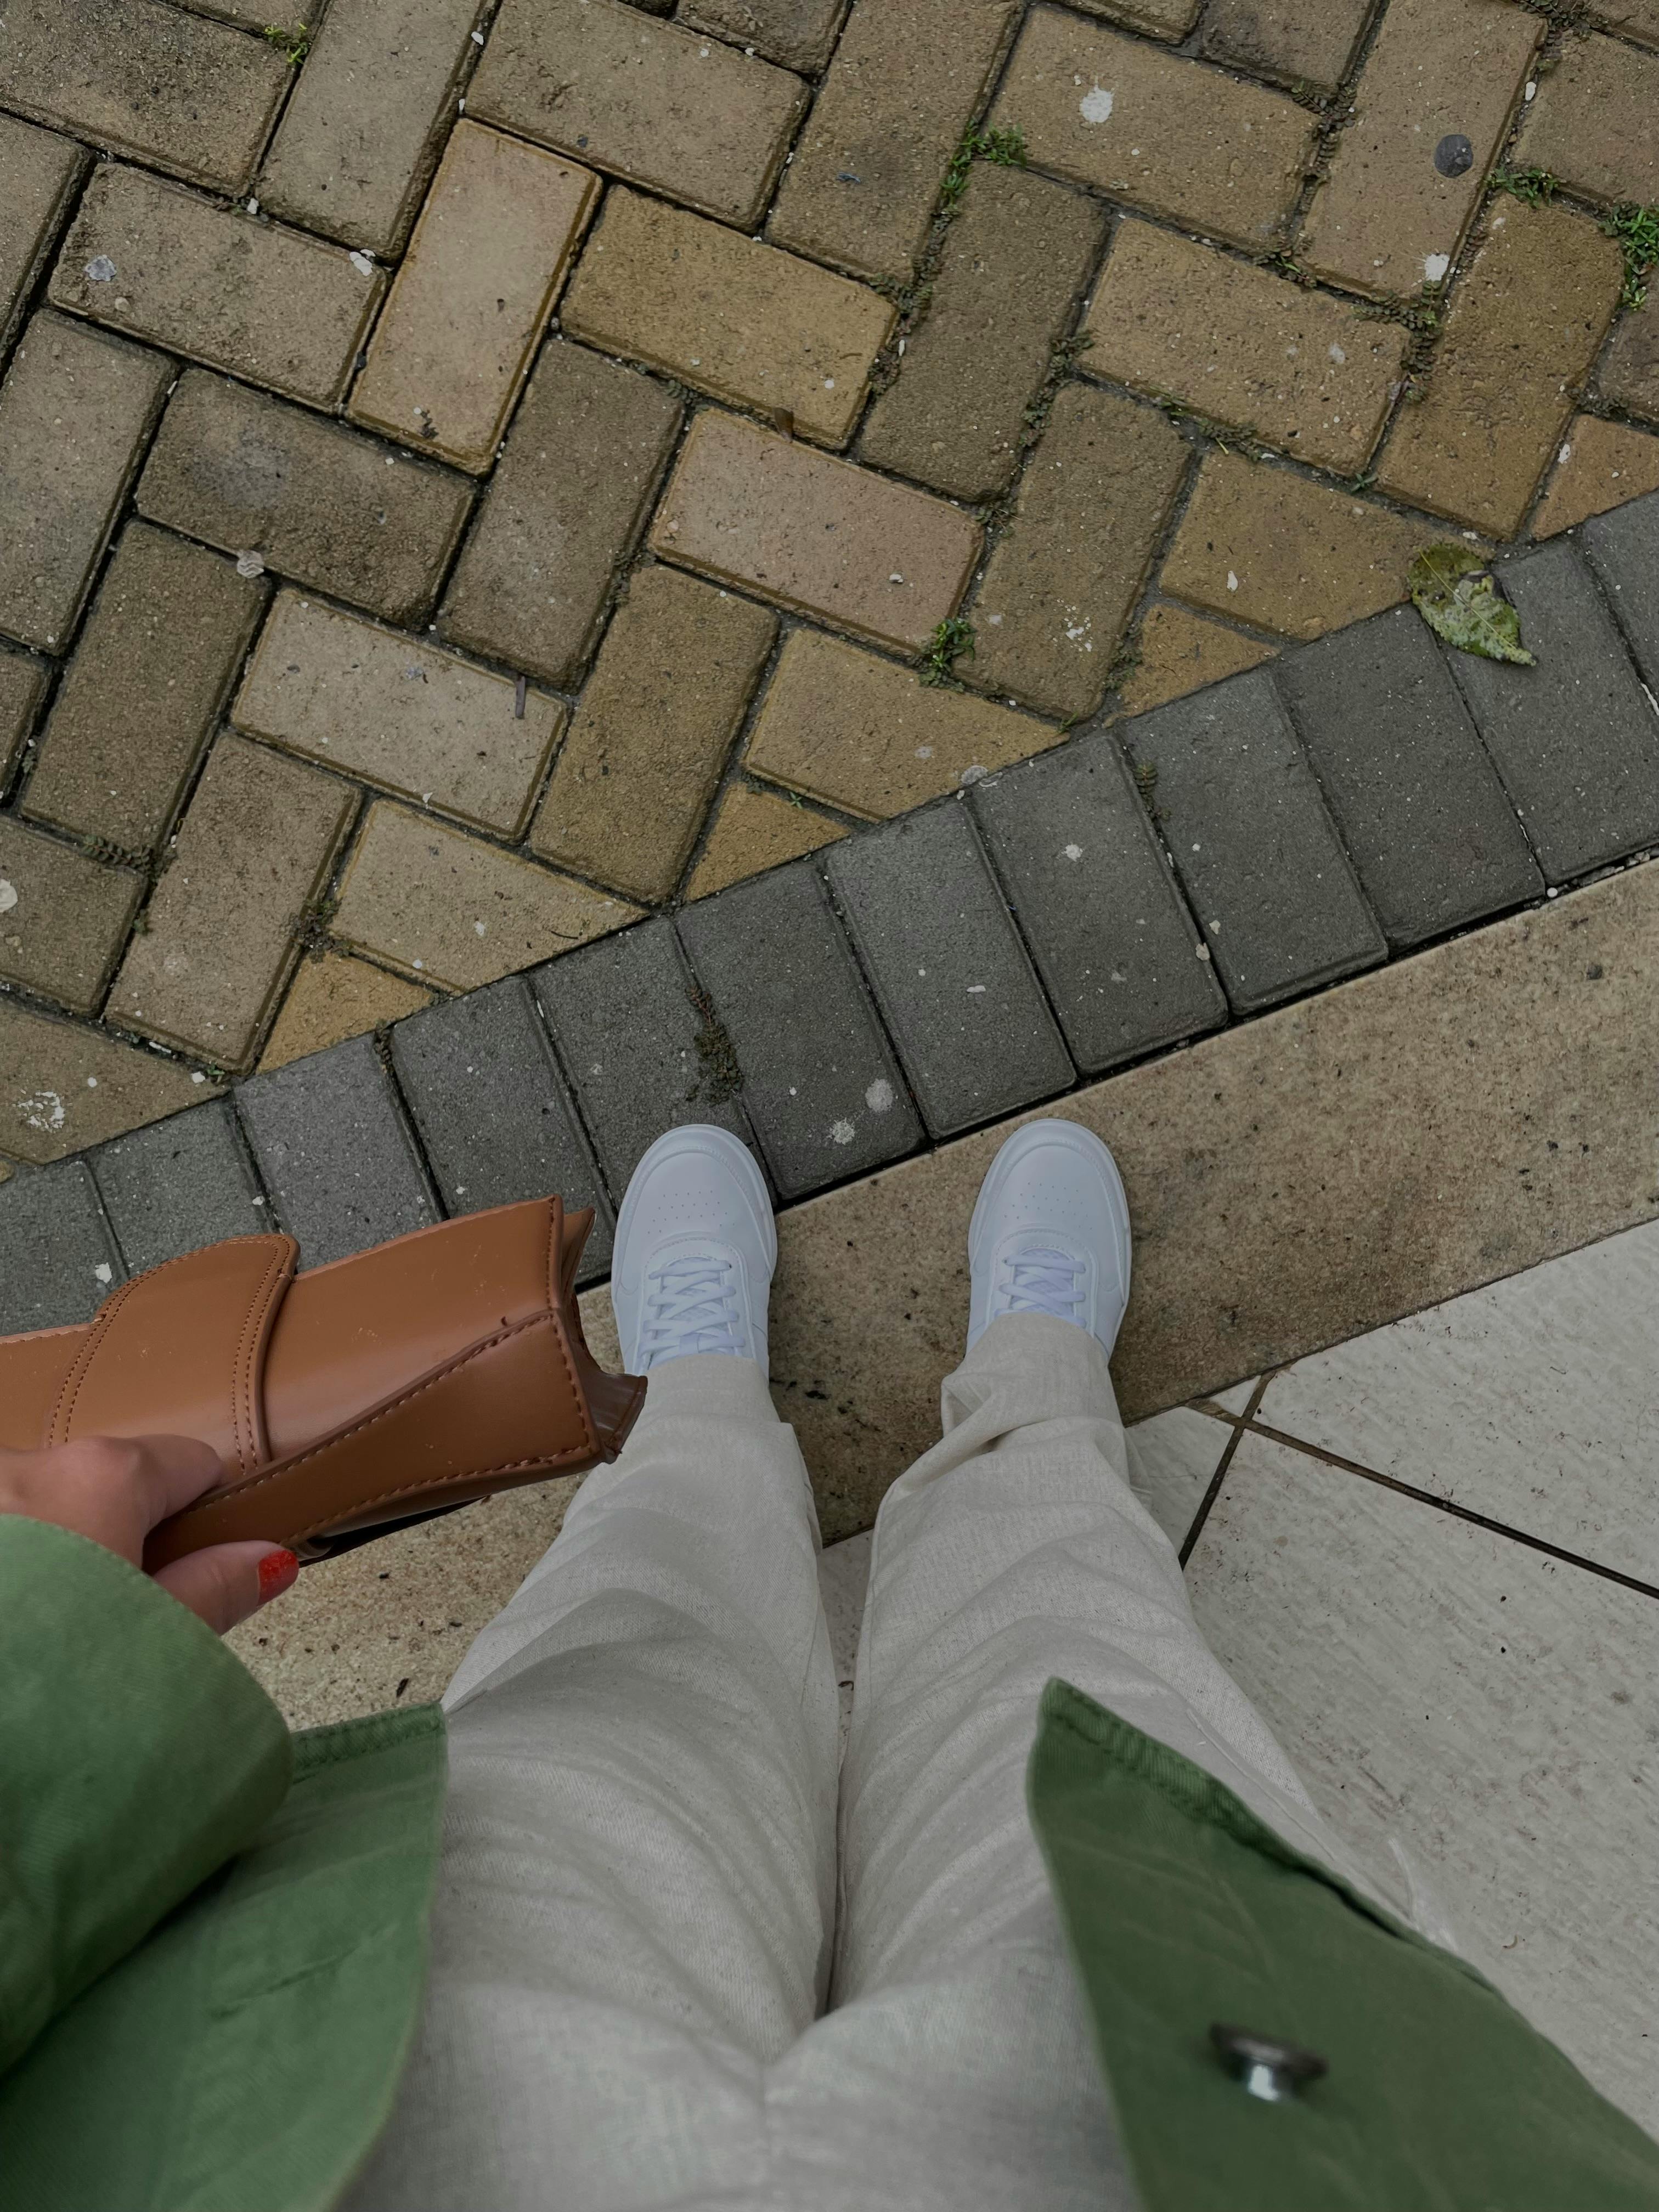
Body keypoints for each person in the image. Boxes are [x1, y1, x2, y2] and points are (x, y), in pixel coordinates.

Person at [3, 1123, 1655, 2212]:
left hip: (311, 2138)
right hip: (1197, 2163)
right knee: (1075, 1692)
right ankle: (1027, 1392)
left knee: (626, 1681)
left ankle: (706, 1401)